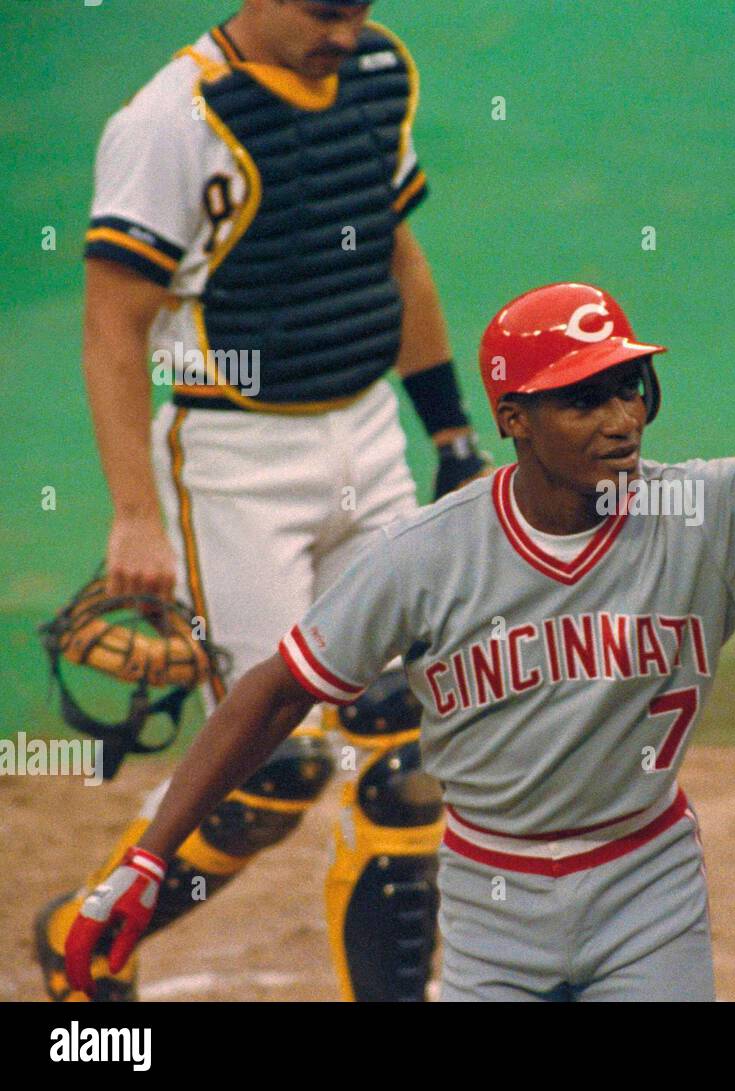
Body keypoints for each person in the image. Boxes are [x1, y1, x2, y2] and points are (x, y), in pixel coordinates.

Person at [63, 189, 735, 1002]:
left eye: (630, 387)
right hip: (490, 903)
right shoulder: (427, 552)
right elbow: (279, 688)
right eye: (583, 399)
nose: (620, 416)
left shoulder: (704, 512)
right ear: (513, 417)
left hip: (647, 888)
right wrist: (148, 854)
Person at [36, 0, 490, 1002]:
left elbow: (394, 254)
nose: (350, 30)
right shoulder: (169, 122)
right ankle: (83, 934)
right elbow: (115, 326)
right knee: (271, 769)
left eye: (363, 7)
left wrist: (450, 430)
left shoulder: (378, 74)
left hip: (368, 440)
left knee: (399, 757)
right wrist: (135, 512)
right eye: (328, 11)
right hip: (232, 461)